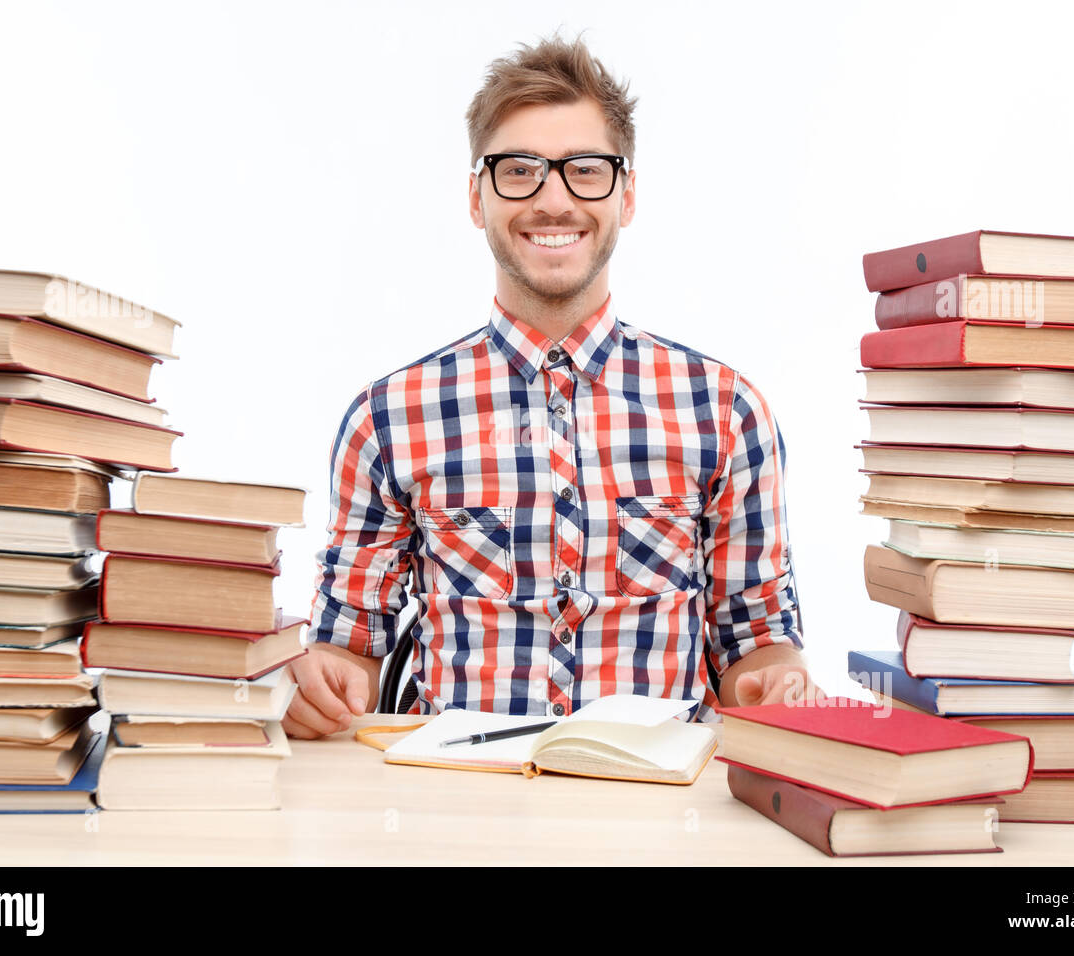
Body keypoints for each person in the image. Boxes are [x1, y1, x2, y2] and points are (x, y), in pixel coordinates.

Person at [284, 35, 814, 739]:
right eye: (519, 170)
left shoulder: (726, 411)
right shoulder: (384, 420)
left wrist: (776, 682)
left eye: (586, 170)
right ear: (477, 197)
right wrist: (317, 686)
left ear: (627, 195)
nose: (554, 199)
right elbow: (348, 650)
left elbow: (755, 645)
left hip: (657, 814)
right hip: (450, 803)